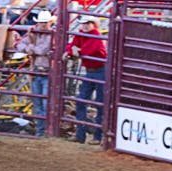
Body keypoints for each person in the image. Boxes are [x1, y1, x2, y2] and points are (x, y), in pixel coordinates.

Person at [63, 15, 107, 145]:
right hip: (92, 71)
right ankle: (81, 135)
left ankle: (96, 137)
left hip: (100, 71)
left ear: (93, 24)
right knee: (82, 101)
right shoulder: (82, 34)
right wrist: (72, 50)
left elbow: (88, 50)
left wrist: (75, 50)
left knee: (99, 104)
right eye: (83, 23)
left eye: (88, 23)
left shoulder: (96, 35)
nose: (85, 26)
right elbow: (72, 46)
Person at [15, 9, 55, 137]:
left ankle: (45, 130)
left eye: (45, 22)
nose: (43, 25)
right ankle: (41, 131)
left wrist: (30, 48)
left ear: (49, 22)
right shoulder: (35, 33)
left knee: (44, 102)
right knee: (38, 102)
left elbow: (43, 50)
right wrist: (30, 48)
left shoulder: (51, 35)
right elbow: (19, 45)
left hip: (46, 71)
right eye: (41, 22)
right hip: (37, 70)